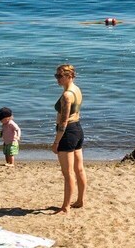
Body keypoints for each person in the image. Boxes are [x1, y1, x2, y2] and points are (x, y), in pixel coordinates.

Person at [51, 64, 87, 213]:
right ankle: (80, 200)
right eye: (56, 75)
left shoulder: (67, 95)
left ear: (69, 76)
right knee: (79, 169)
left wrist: (56, 141)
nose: (57, 79)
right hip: (78, 129)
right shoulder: (76, 89)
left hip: (68, 132)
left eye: (60, 76)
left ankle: (66, 206)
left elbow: (63, 121)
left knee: (68, 173)